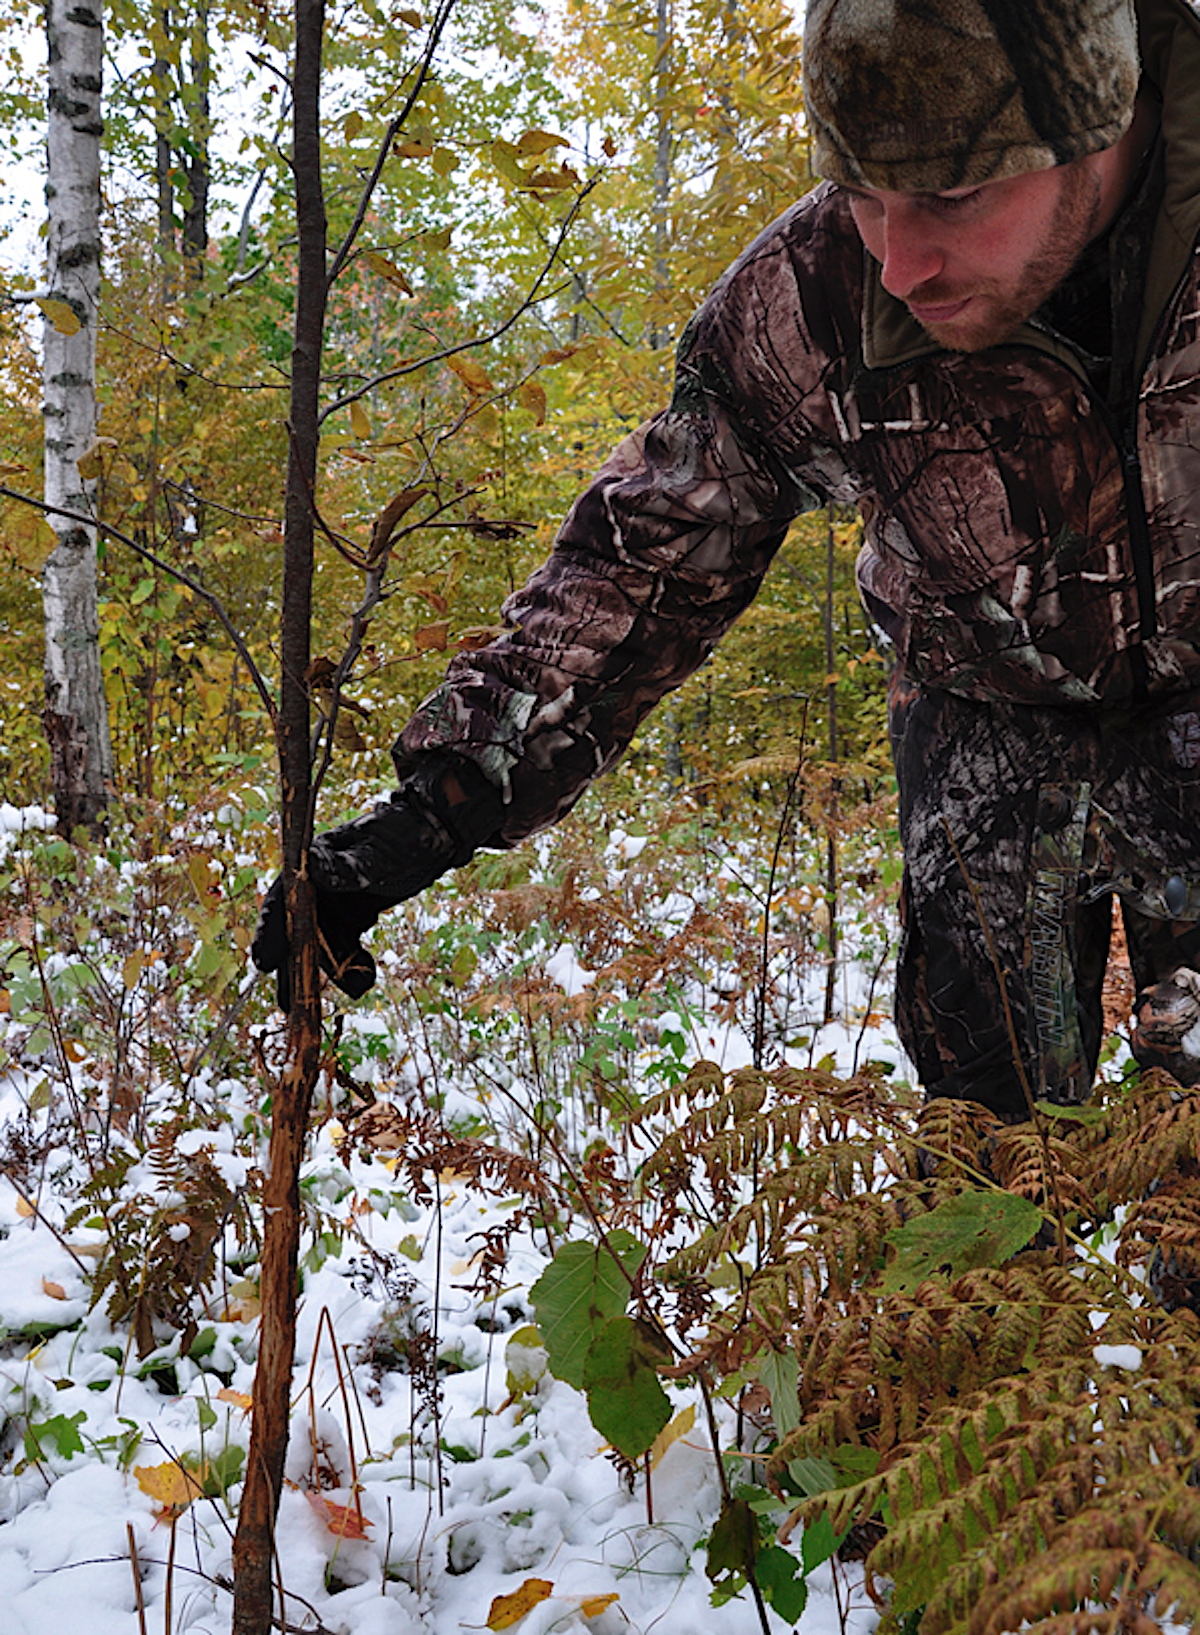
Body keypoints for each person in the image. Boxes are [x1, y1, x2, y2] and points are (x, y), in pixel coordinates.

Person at [254, 0, 1200, 1124]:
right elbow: (649, 556)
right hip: (977, 708)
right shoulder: (811, 293)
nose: (897, 265)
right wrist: (438, 807)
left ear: (1106, 115)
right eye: (860, 191)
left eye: (950, 196)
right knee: (983, 1142)